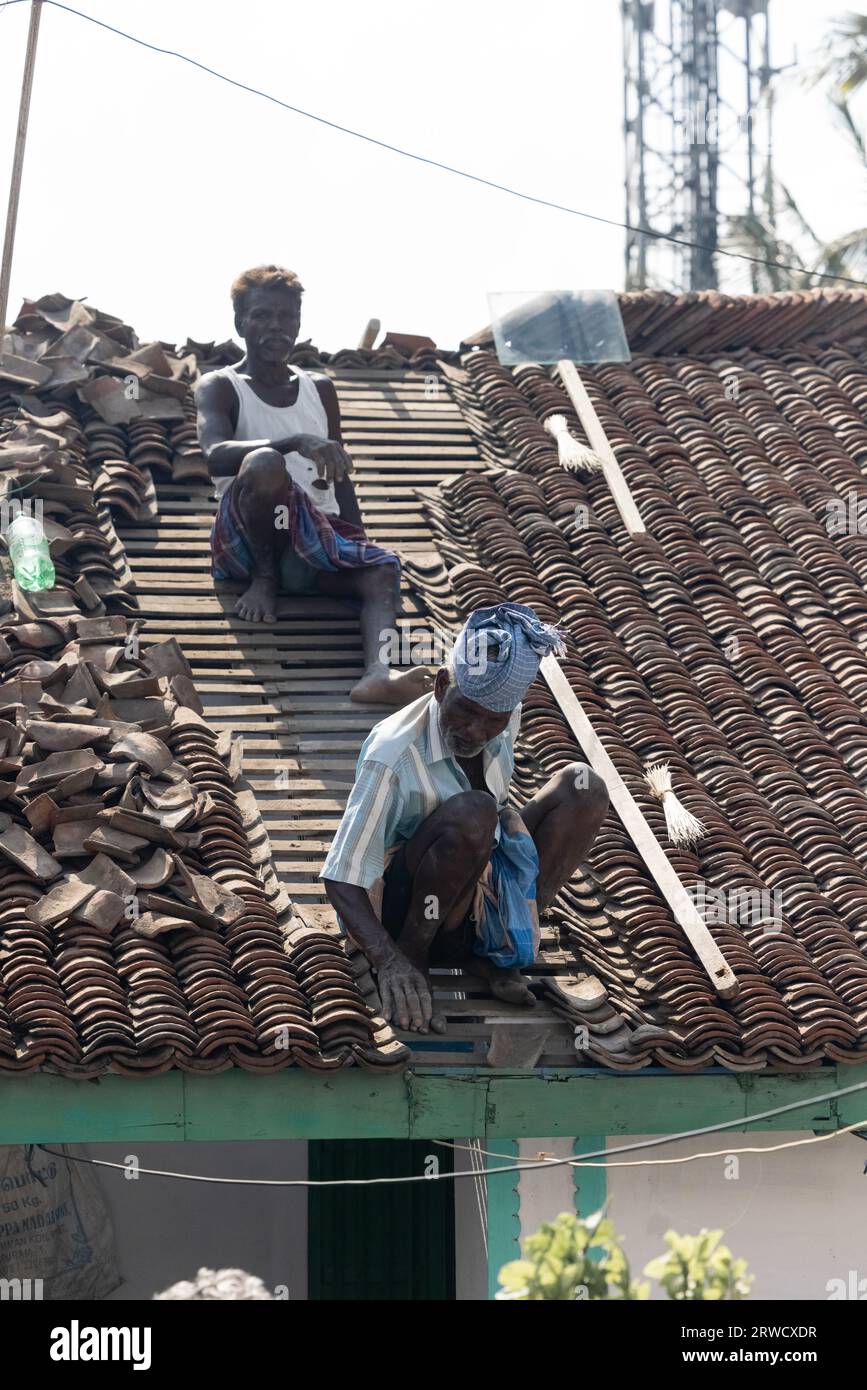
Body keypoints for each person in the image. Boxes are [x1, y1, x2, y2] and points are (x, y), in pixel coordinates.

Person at [321, 603, 609, 1033]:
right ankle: (416, 963)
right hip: (406, 911)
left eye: (493, 720)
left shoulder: (504, 719)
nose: (476, 731)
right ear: (440, 686)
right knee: (476, 811)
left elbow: (499, 821)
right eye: (466, 712)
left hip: (468, 892)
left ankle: (504, 946)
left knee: (583, 788)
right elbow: (340, 876)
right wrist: (389, 960)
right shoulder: (393, 755)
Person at [194, 264, 433, 707]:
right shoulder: (221, 385)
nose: (275, 327)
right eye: (262, 316)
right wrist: (293, 442)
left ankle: (378, 673)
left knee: (382, 568)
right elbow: (214, 456)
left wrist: (357, 541)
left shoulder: (318, 388)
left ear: (299, 324)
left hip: (313, 540)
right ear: (239, 323)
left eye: (286, 317)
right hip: (250, 539)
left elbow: (338, 469)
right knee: (264, 463)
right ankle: (264, 580)